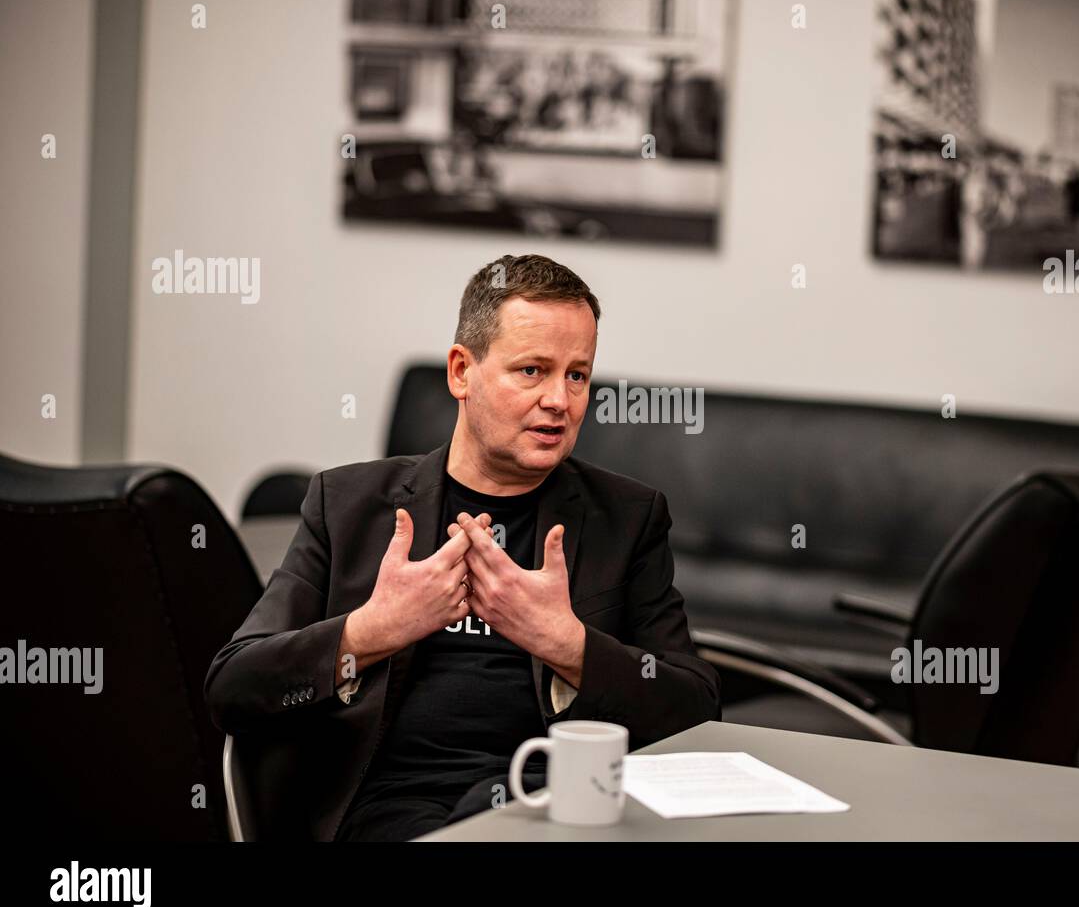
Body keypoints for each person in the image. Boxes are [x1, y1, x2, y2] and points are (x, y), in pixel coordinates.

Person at [204, 254, 722, 841]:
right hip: (390, 809)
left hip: (555, 802)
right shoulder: (348, 504)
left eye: (577, 375)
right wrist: (370, 632)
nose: (560, 399)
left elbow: (696, 709)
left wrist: (568, 645)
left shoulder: (626, 518)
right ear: (460, 373)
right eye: (532, 370)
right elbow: (234, 688)